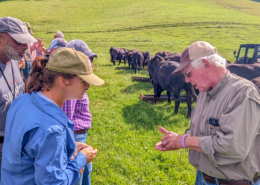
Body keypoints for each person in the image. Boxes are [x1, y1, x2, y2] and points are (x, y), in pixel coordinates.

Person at [155, 41, 260, 185]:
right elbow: (199, 131)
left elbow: (233, 147)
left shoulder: (242, 93)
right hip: (204, 178)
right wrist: (178, 139)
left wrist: (184, 141)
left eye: (188, 73)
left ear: (206, 64)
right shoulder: (204, 92)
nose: (186, 80)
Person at [1, 48, 104, 184]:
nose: (88, 86)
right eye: (83, 80)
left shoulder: (23, 100)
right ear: (63, 81)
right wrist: (81, 160)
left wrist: (68, 147)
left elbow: (28, 150)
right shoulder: (52, 130)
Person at [0, 16, 37, 179]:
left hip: (18, 146)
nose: (25, 46)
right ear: (0, 40)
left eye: (26, 41)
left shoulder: (14, 61)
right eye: (19, 41)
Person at [63, 39, 97, 185]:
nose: (88, 61)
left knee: (86, 169)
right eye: (85, 58)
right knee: (78, 174)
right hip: (74, 135)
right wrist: (71, 147)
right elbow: (67, 118)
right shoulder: (72, 83)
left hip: (78, 135)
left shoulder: (75, 80)